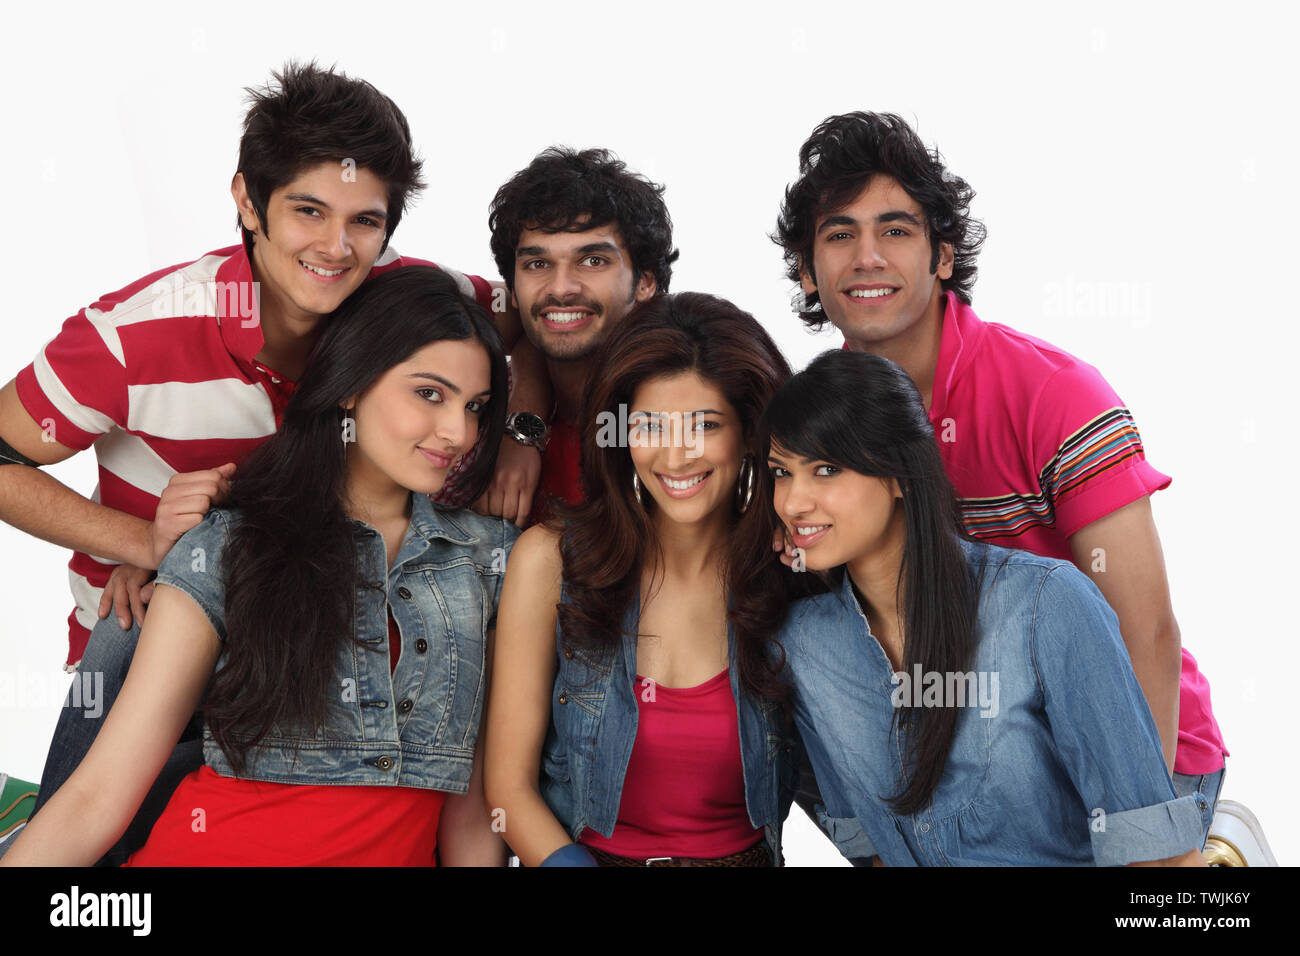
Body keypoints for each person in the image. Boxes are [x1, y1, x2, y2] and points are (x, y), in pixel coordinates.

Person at [0, 61, 535, 862]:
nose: (335, 247)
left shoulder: (410, 299)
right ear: (247, 200)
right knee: (103, 803)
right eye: (307, 212)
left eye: (365, 221)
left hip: (328, 643)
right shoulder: (130, 336)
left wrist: (522, 430)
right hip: (159, 628)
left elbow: (544, 322)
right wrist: (140, 543)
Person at [772, 112, 1226, 840]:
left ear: (942, 256)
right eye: (838, 235)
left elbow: (1145, 629)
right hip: (958, 748)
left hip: (1130, 749)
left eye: (895, 230)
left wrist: (1141, 826)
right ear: (807, 269)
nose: (866, 257)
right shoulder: (808, 431)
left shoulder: (1051, 392)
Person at [754, 349, 1210, 866]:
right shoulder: (805, 649)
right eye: (781, 473)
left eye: (826, 469)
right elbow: (874, 854)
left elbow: (1159, 855)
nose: (792, 503)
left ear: (901, 474)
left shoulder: (1045, 607)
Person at [485, 293, 801, 866]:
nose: (676, 457)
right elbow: (507, 789)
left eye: (705, 425)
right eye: (651, 425)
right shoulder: (551, 561)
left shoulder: (790, 575)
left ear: (749, 432)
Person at [459, 146, 677, 527]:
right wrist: (522, 428)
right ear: (511, 287)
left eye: (593, 261)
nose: (561, 289)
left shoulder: (689, 414)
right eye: (537, 264)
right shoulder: (466, 414)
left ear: (645, 282)